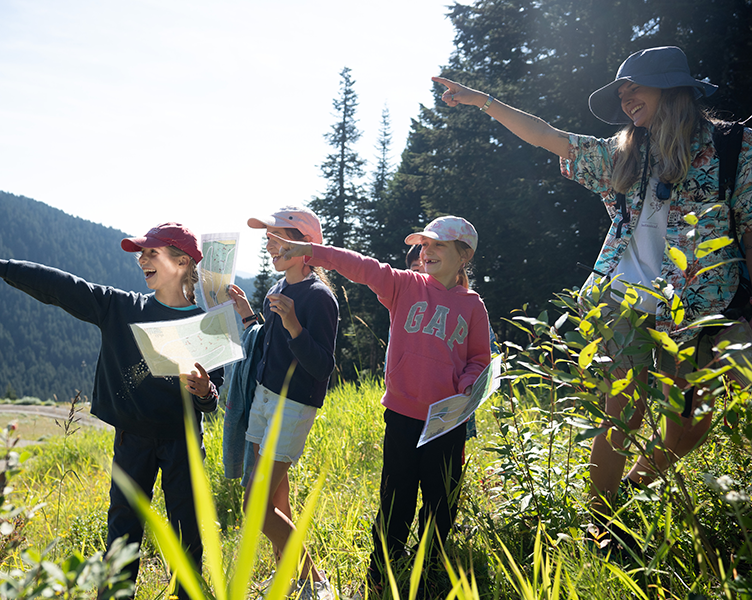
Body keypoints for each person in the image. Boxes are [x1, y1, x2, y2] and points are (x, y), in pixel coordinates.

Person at [432, 46, 752, 527]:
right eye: (620, 91)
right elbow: (549, 137)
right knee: (623, 412)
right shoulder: (622, 154)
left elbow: (747, 227)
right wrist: (485, 101)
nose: (625, 98)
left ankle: (633, 490)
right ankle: (600, 526)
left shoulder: (734, 149)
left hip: (697, 303)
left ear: (671, 88)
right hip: (623, 299)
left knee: (690, 426)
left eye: (634, 87)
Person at [0, 222, 224, 600]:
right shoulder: (120, 308)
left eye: (151, 253)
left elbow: (212, 395)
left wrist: (204, 390)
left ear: (182, 261)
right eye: (141, 253)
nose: (142, 260)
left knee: (185, 532)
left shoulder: (204, 325)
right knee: (122, 532)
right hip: (132, 440)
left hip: (183, 442)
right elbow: (60, 286)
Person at [270, 215, 491, 598]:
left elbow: (478, 358)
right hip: (403, 418)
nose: (427, 251)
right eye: (424, 244)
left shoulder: (473, 307)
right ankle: (381, 574)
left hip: (446, 424)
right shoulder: (404, 285)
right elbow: (362, 267)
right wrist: (315, 252)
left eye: (438, 245)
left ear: (464, 255)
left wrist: (469, 383)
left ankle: (430, 572)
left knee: (441, 503)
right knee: (396, 499)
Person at [225, 206, 339, 600]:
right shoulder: (279, 286)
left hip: (293, 405)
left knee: (254, 506)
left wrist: (294, 326)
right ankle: (288, 575)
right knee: (275, 496)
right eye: (269, 237)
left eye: (278, 237)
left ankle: (313, 577)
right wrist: (247, 316)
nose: (270, 243)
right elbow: (268, 347)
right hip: (264, 398)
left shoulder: (319, 297)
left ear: (304, 246)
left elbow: (323, 365)